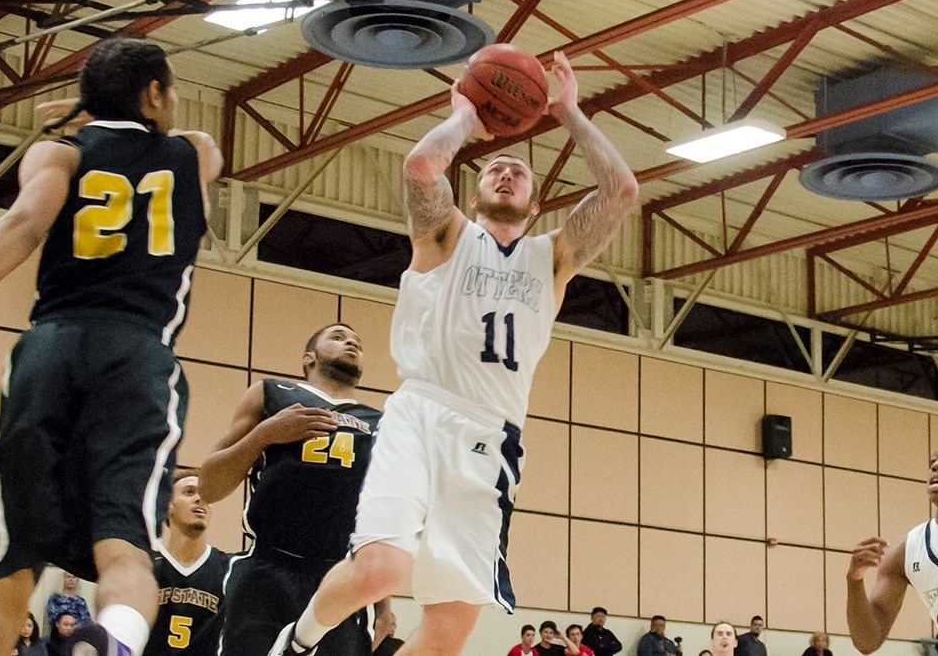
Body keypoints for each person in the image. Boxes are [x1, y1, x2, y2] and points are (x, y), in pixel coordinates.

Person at [271, 49, 638, 656]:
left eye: (519, 171)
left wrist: (569, 111)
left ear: (536, 204)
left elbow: (621, 189)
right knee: (382, 569)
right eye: (494, 169)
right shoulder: (446, 236)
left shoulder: (552, 259)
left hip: (491, 438)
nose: (506, 173)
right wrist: (467, 115)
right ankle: (297, 644)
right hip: (420, 413)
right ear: (472, 196)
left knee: (449, 630)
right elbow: (420, 166)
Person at [0, 36, 221, 656]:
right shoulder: (193, 154)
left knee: (9, 578)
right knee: (124, 553)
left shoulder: (58, 154)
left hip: (50, 349)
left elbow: (23, 224)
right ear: (154, 93)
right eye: (169, 89)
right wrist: (102, 103)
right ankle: (114, 643)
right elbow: (201, 147)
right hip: (137, 355)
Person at [198, 324, 387, 656]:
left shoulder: (380, 421)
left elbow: (379, 518)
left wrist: (382, 600)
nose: (351, 342)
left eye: (357, 340)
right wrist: (264, 434)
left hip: (340, 574)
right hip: (268, 568)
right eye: (338, 337)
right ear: (308, 357)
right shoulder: (272, 394)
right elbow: (209, 486)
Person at [847, 452, 938, 653]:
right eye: (933, 464)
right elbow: (868, 641)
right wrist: (854, 580)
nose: (936, 466)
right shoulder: (905, 551)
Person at [145, 468, 230, 656]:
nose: (200, 499)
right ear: (169, 505)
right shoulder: (145, 566)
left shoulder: (230, 568)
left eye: (206, 494)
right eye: (189, 492)